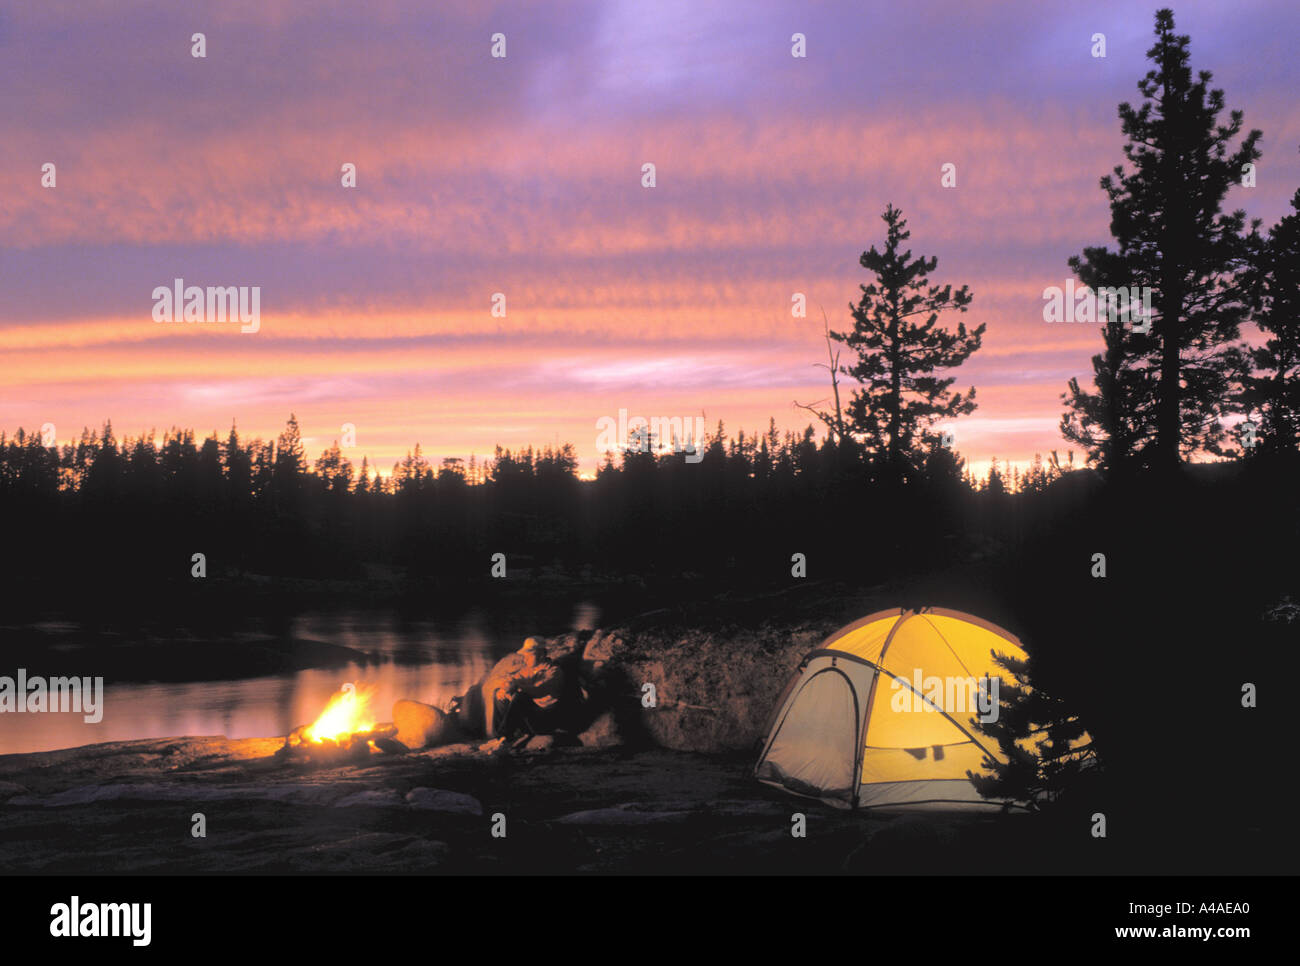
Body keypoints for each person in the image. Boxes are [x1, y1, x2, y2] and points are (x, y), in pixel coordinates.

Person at [492, 637, 567, 740]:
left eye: (529, 655)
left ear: (541, 655)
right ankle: (503, 735)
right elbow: (513, 679)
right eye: (524, 655)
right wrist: (505, 688)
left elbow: (538, 690)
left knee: (520, 697)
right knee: (498, 693)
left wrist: (516, 686)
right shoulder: (528, 670)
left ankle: (504, 737)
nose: (525, 658)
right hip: (529, 719)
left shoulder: (554, 672)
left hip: (545, 720)